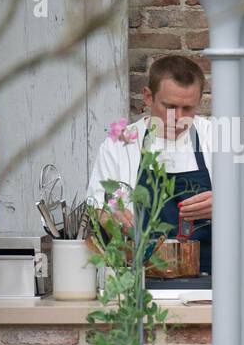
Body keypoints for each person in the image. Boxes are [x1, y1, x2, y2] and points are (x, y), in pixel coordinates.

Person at [86, 55, 215, 274]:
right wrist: (112, 218)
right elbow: (98, 210)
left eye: (188, 108)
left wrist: (227, 207)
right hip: (138, 280)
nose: (179, 117)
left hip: (213, 281)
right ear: (148, 97)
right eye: (170, 106)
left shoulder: (216, 138)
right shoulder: (120, 144)